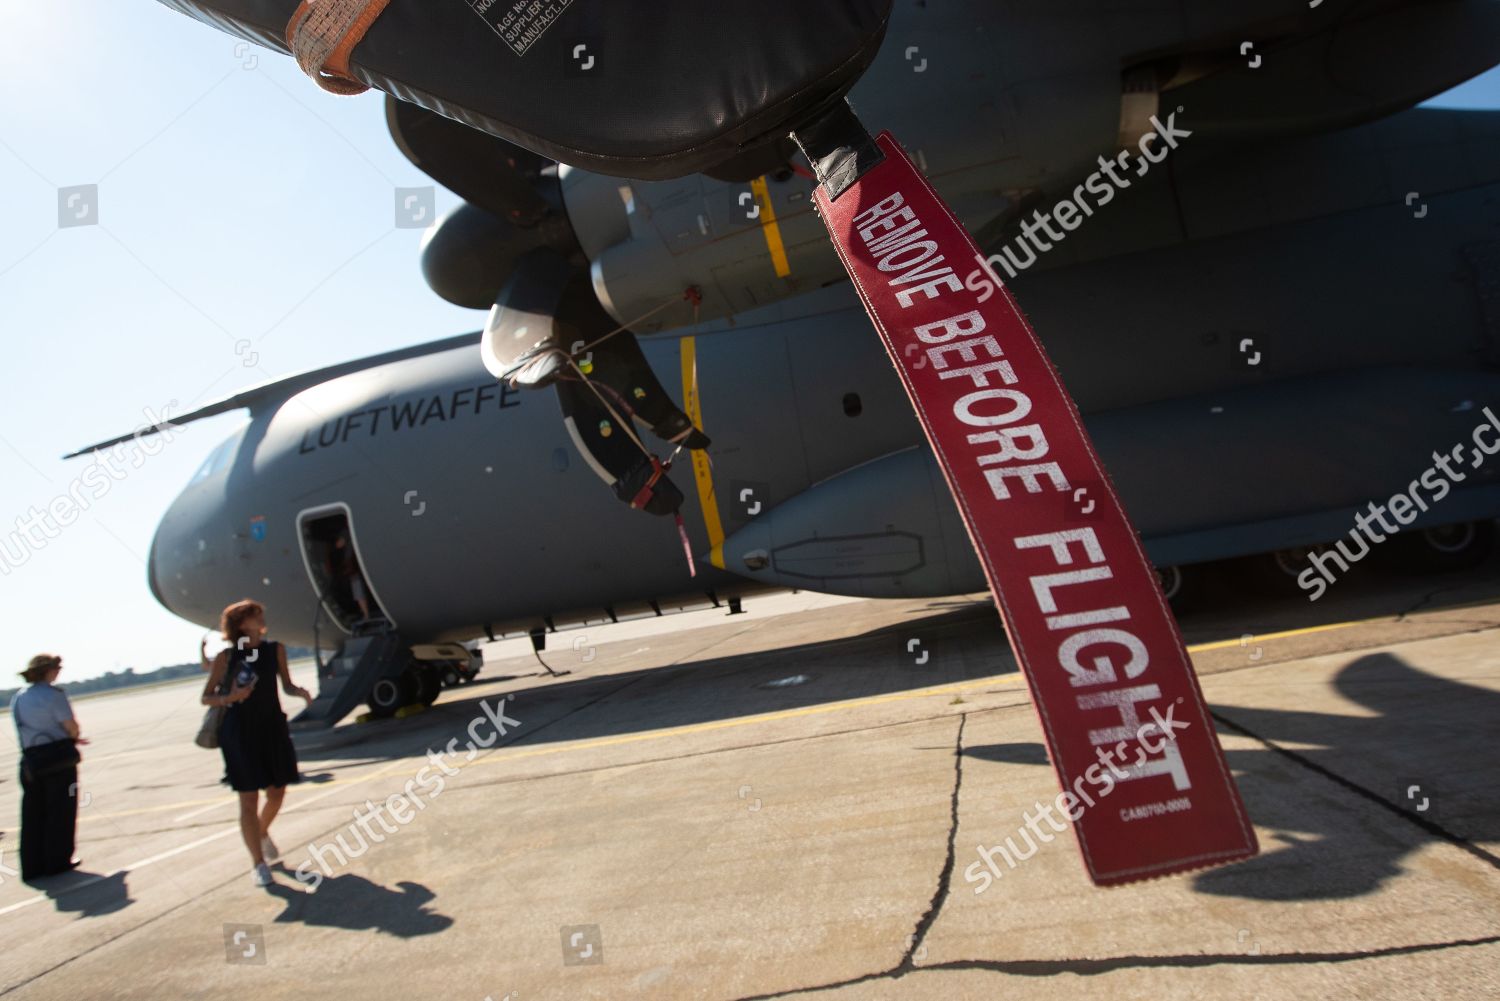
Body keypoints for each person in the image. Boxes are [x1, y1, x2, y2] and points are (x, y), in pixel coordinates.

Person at [202, 599, 312, 886]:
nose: (262, 617)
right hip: (239, 732)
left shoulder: (275, 650)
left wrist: (301, 693)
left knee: (277, 792)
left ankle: (261, 832)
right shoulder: (226, 657)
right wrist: (231, 698)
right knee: (248, 799)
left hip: (272, 727)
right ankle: (258, 864)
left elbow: (285, 684)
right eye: (255, 614)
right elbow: (207, 697)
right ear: (241, 624)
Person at [12, 653, 87, 882]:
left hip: (30, 761)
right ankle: (57, 861)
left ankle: (32, 866)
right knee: (60, 811)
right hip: (57, 760)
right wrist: (74, 737)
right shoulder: (54, 695)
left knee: (33, 813)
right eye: (57, 668)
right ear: (49, 671)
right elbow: (70, 726)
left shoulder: (19, 696)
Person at [327, 533, 371, 620]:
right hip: (353, 574)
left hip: (355, 574)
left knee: (359, 594)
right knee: (358, 594)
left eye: (339, 543)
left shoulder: (349, 547)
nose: (338, 545)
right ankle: (364, 613)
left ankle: (366, 615)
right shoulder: (345, 549)